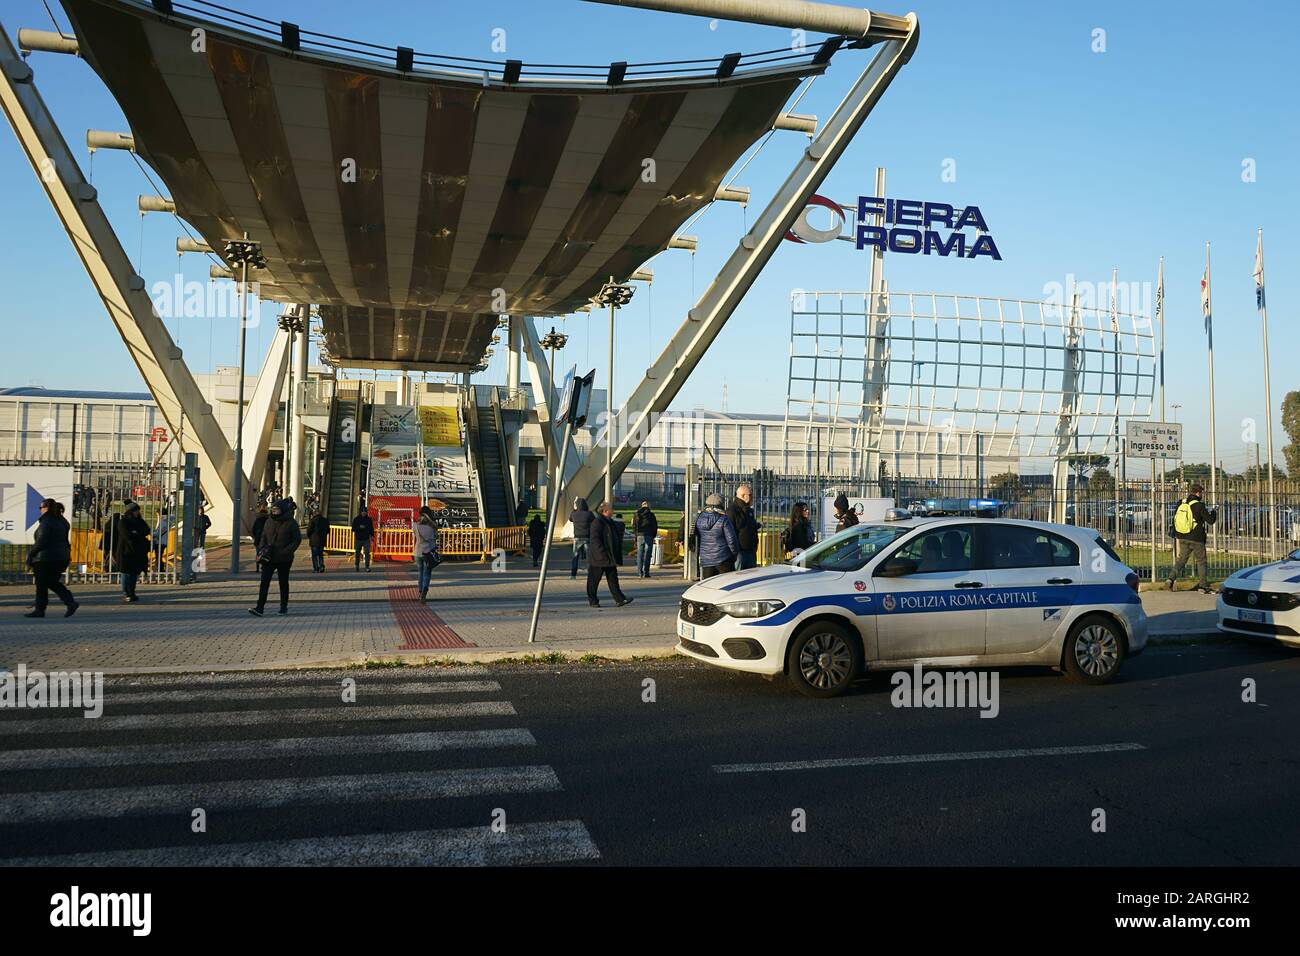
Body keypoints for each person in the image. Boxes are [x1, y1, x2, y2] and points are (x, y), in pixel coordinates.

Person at [25, 499, 78, 618]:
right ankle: (70, 602)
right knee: (52, 582)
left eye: (41, 507)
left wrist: (31, 554)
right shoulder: (62, 521)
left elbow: (42, 541)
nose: (40, 510)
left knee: (41, 585)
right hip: (60, 557)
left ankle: (40, 610)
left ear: (46, 508)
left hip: (45, 558)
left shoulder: (46, 522)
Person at [249, 497, 302, 616]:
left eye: (276, 509)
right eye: (272, 509)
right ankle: (259, 607)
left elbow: (297, 540)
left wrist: (287, 551)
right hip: (269, 557)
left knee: (283, 583)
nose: (273, 511)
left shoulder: (291, 523)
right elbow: (264, 535)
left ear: (282, 510)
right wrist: (262, 548)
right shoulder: (269, 521)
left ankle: (283, 607)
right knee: (264, 582)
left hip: (284, 558)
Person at [1167, 482, 1217, 593]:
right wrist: (1214, 512)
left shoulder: (1181, 503)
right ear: (1198, 493)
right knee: (1201, 561)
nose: (1202, 495)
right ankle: (1203, 585)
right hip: (1196, 538)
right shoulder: (1199, 506)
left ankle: (1170, 579)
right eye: (1201, 493)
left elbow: (1175, 518)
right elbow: (1210, 521)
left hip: (1182, 536)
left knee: (1181, 560)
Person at [587, 501, 633, 608]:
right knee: (593, 581)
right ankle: (593, 600)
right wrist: (601, 553)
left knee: (613, 579)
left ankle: (620, 599)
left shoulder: (609, 521)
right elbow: (595, 541)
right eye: (611, 509)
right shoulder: (597, 522)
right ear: (605, 511)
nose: (613, 511)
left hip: (610, 556)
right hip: (599, 558)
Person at [114, 501, 151, 603]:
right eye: (135, 511)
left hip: (137, 551)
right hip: (125, 551)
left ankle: (132, 592)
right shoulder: (123, 521)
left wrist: (135, 532)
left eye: (138, 511)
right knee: (126, 573)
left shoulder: (139, 521)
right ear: (130, 511)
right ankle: (126, 593)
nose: (137, 513)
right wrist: (137, 533)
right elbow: (127, 535)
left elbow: (147, 530)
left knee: (134, 573)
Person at [695, 493, 738, 579]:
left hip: (706, 560)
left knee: (709, 586)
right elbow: (731, 540)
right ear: (721, 505)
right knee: (727, 585)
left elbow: (697, 538)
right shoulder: (724, 519)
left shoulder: (699, 518)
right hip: (724, 558)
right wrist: (734, 553)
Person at [728, 484, 761, 570]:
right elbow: (730, 531)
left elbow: (748, 526)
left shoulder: (748, 510)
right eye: (750, 495)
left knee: (751, 576)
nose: (752, 497)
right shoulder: (732, 510)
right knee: (738, 576)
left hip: (751, 549)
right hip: (740, 551)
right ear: (743, 496)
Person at [413, 505, 440, 602]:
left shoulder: (415, 525)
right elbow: (436, 537)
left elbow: (415, 534)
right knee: (427, 573)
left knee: (420, 573)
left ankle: (420, 592)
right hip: (429, 552)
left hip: (418, 552)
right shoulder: (433, 526)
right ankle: (424, 592)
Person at [632, 500, 658, 578]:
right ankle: (646, 572)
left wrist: (635, 536)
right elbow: (655, 526)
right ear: (648, 506)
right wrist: (653, 536)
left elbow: (634, 526)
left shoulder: (636, 514)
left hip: (640, 535)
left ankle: (640, 573)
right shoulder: (651, 515)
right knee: (647, 554)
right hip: (649, 535)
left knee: (639, 554)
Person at [569, 497, 593, 579]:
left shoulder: (574, 514)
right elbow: (594, 520)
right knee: (589, 557)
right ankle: (590, 573)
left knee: (575, 556)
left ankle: (573, 574)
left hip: (577, 537)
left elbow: (570, 519)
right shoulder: (589, 514)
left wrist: (575, 509)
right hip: (587, 537)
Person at [351, 506, 375, 571]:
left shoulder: (369, 519)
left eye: (365, 512)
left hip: (366, 539)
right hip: (358, 539)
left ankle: (367, 566)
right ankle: (357, 565)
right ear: (360, 512)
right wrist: (359, 527)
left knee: (367, 553)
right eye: (362, 511)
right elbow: (353, 529)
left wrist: (372, 536)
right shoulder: (356, 519)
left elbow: (371, 528)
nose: (364, 513)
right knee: (357, 553)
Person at [306, 509, 330, 573]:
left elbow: (309, 530)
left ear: (314, 514)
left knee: (314, 555)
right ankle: (321, 567)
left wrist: (309, 536)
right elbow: (328, 530)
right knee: (320, 554)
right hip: (322, 540)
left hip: (314, 540)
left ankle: (316, 568)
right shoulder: (325, 520)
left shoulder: (312, 520)